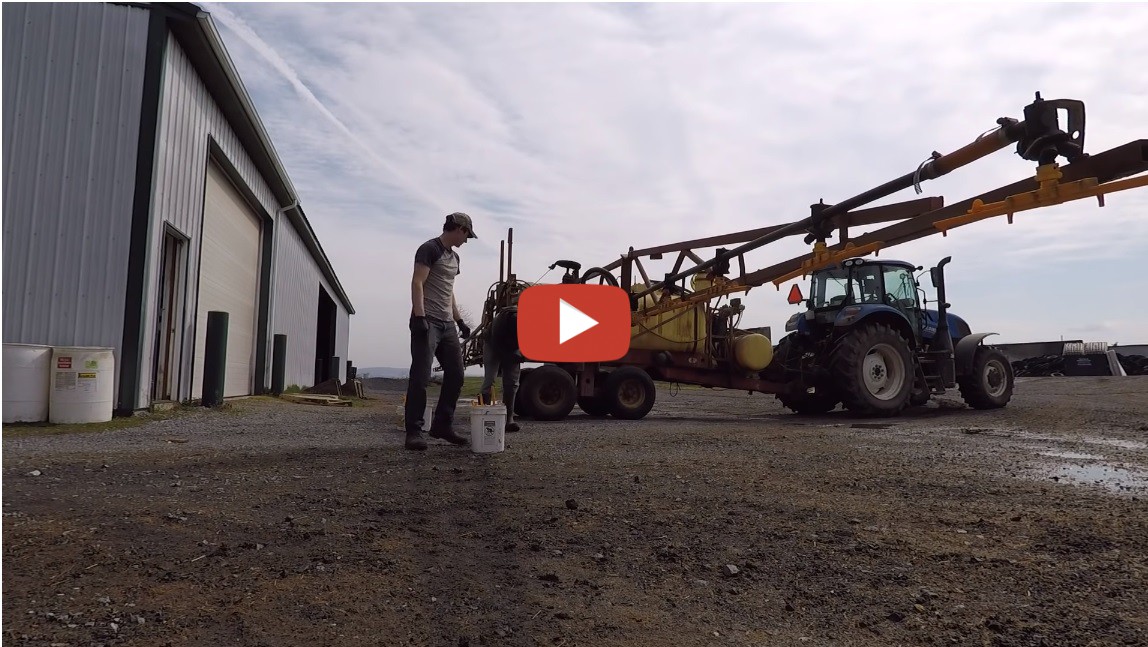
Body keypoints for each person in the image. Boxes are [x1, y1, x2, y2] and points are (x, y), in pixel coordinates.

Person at [404, 212, 477, 451]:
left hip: (447, 324)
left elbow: (449, 291)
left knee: (456, 375)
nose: (466, 241)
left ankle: (442, 426)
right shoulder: (429, 249)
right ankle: (414, 431)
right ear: (459, 229)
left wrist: (460, 321)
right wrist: (420, 316)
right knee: (421, 377)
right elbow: (417, 282)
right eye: (466, 236)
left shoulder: (454, 258)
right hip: (428, 322)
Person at [478, 292, 522, 433]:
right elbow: (498, 345)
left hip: (512, 346)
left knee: (512, 383)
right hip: (493, 343)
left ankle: (509, 419)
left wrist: (519, 355)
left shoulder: (530, 323)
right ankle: (486, 417)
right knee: (490, 380)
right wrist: (509, 356)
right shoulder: (502, 320)